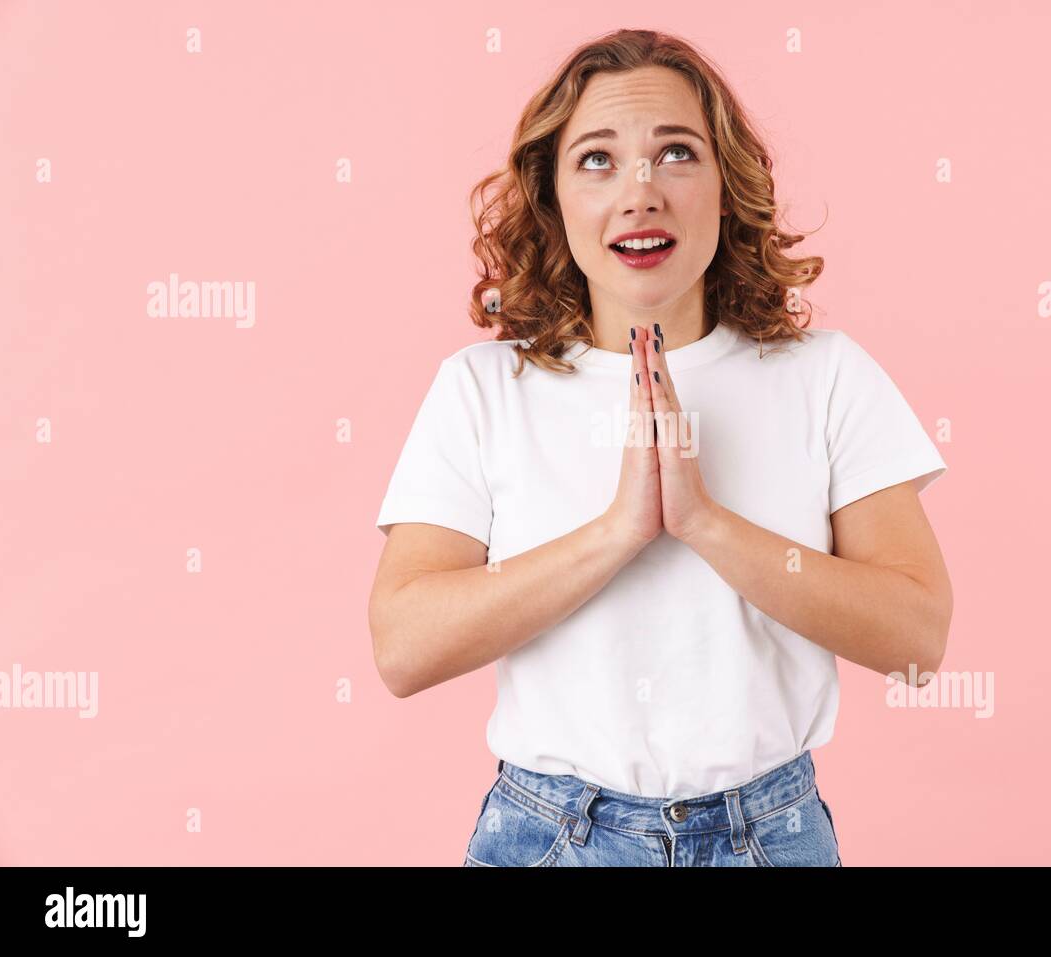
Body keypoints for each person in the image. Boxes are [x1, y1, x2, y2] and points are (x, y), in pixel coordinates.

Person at [368, 29, 952, 867]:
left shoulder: (826, 377)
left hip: (771, 835)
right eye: (597, 160)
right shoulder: (483, 388)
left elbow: (917, 637)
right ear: (554, 199)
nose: (639, 192)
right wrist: (618, 530)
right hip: (549, 836)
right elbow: (402, 646)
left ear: (726, 188)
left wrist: (704, 521)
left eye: (675, 153)